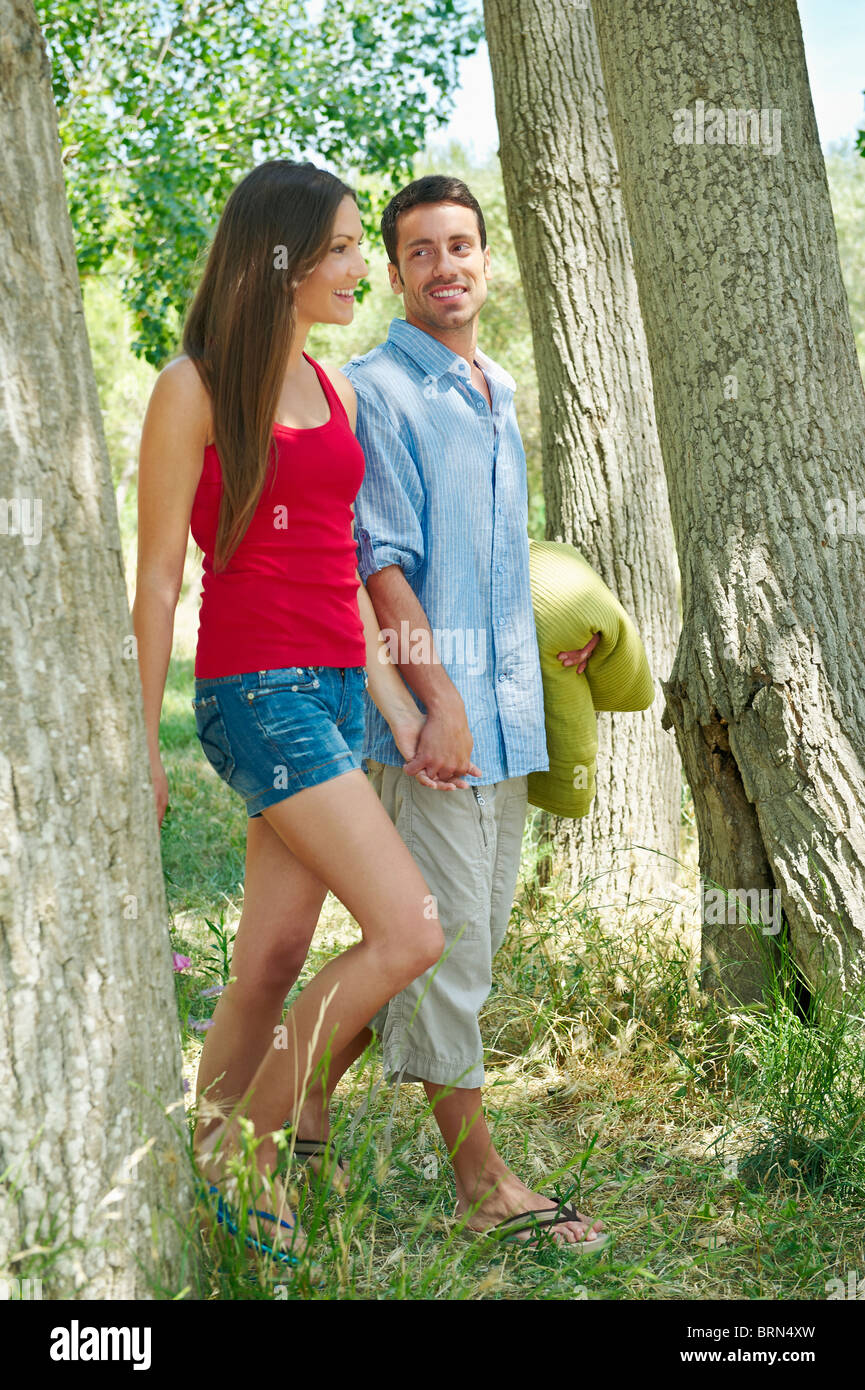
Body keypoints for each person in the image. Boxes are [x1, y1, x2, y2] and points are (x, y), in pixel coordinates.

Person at [132, 160, 469, 1260]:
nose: (355, 266)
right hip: (254, 695)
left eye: (353, 246)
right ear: (276, 259)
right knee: (410, 928)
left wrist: (403, 709)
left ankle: (203, 1167)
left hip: (328, 689)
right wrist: (141, 738)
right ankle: (250, 1151)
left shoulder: (336, 391)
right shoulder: (195, 384)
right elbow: (156, 583)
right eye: (335, 248)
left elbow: (339, 580)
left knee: (271, 958)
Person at [290, 174, 607, 1249]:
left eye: (461, 246)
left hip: (508, 716)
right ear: (393, 272)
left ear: (488, 259)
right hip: (437, 728)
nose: (446, 266)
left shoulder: (497, 386)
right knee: (447, 948)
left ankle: (291, 1098)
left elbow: (489, 558)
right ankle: (482, 1185)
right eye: (420, 251)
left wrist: (543, 656)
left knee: (434, 947)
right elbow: (380, 565)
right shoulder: (378, 387)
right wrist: (439, 700)